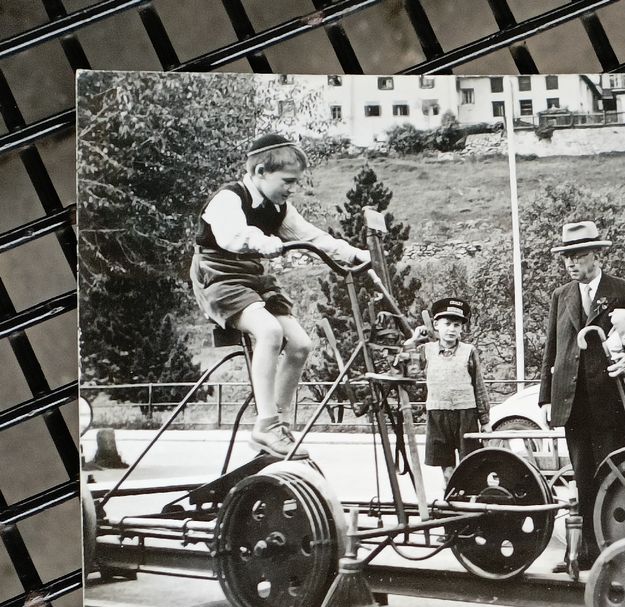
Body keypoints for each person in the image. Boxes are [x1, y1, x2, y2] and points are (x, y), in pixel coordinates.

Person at [191, 133, 369, 458]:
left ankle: (281, 424)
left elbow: (311, 236)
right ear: (260, 172)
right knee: (269, 331)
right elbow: (231, 236)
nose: (292, 189)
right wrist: (259, 240)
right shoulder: (229, 198)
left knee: (301, 345)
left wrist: (351, 252)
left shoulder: (280, 209)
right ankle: (266, 424)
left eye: (296, 183)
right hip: (219, 276)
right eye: (287, 181)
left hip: (254, 277)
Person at [539, 221, 625, 571]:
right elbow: (552, 349)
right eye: (566, 256)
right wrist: (545, 399)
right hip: (574, 402)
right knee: (582, 476)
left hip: (614, 402)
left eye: (578, 255)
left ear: (597, 255)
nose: (571, 263)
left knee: (616, 476)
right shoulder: (561, 295)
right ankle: (586, 554)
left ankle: (618, 550)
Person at [402, 297, 491, 486]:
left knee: (470, 464)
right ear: (436, 325)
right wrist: (413, 340)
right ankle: (450, 500)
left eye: (456, 325)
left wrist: (484, 420)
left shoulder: (469, 351)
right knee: (446, 468)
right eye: (447, 324)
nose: (451, 329)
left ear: (461, 329)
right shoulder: (426, 350)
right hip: (438, 415)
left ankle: (468, 502)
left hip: (466, 414)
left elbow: (479, 385)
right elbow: (410, 369)